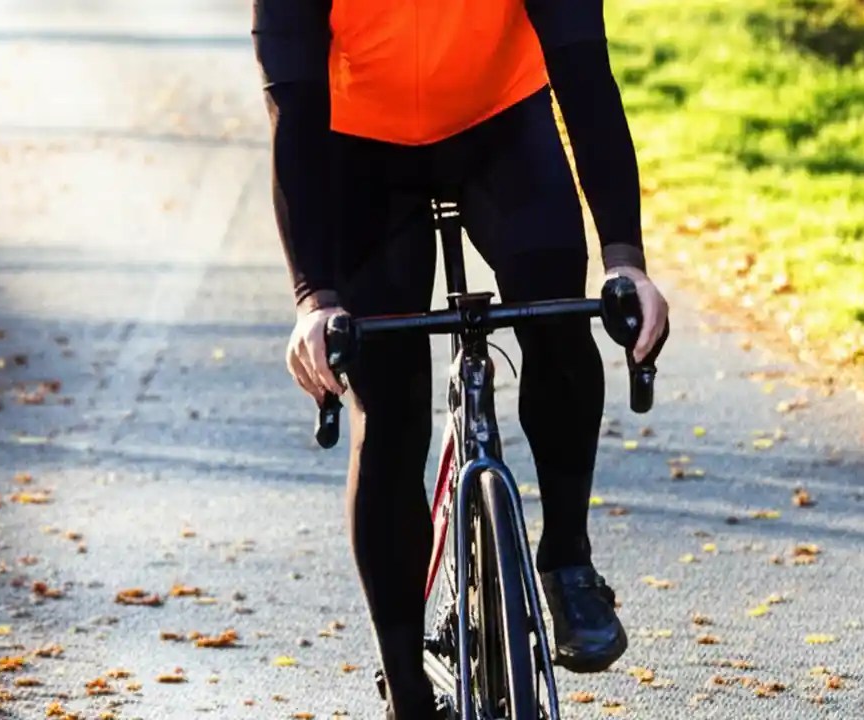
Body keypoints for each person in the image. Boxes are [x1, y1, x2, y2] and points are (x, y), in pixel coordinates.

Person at [251, 0, 670, 716]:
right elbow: (293, 107)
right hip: (361, 150)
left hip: (501, 127)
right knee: (389, 411)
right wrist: (314, 298)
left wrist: (625, 259)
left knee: (561, 323)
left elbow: (584, 73)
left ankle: (568, 561)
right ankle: (406, 685)